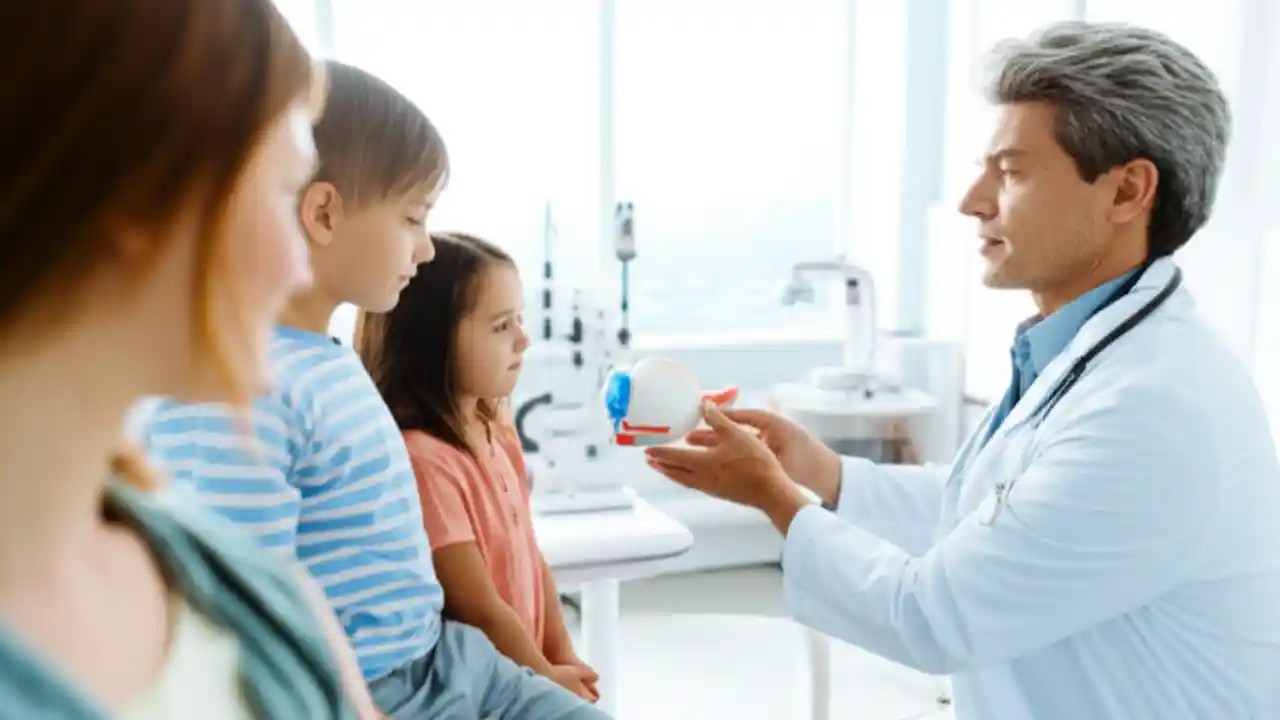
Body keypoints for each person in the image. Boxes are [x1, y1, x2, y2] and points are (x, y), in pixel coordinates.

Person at [644, 21, 1280, 719]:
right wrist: (823, 474)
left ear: (1127, 192)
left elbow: (935, 618)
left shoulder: (1154, 408)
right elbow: (993, 510)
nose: (973, 200)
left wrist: (775, 496)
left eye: (1010, 171)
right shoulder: (1094, 355)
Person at [144, 63, 610, 719]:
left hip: (446, 659)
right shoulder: (233, 390)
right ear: (325, 213)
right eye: (414, 219)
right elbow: (240, 618)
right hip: (374, 694)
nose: (424, 251)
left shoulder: (322, 360)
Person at [0, 1, 373, 717]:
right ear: (137, 193)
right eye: (284, 188)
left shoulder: (262, 605)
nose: (299, 269)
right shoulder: (267, 606)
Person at [356, 233, 599, 703]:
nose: (523, 339)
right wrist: (544, 680)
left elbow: (533, 556)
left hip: (528, 678)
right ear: (434, 341)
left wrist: (563, 661)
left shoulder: (496, 430)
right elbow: (479, 609)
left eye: (521, 320)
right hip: (488, 693)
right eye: (501, 326)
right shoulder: (423, 461)